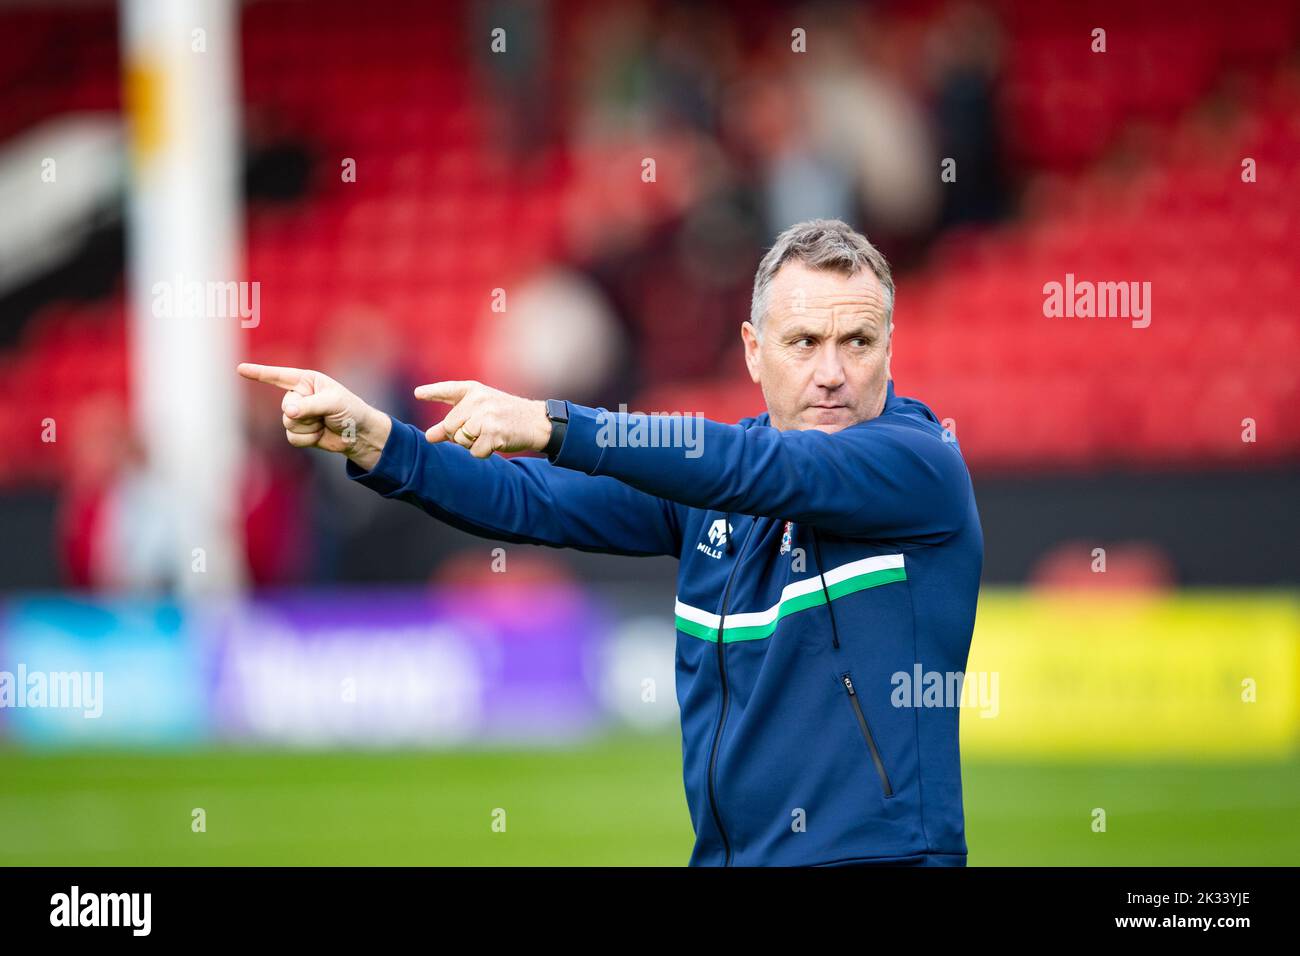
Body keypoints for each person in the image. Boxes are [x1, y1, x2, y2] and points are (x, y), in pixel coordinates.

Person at [237, 218, 984, 866]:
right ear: (754, 352)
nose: (831, 372)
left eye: (858, 341)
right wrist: (381, 444)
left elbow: (755, 466)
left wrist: (555, 424)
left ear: (891, 345)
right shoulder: (718, 491)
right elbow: (531, 499)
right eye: (804, 342)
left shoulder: (917, 464)